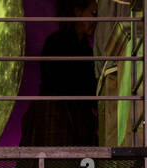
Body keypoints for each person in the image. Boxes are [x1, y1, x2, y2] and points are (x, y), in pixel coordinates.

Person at [19, 0, 99, 148]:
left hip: (66, 120)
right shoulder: (60, 43)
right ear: (78, 12)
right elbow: (64, 83)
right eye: (93, 13)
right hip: (61, 120)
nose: (96, 20)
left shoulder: (82, 48)